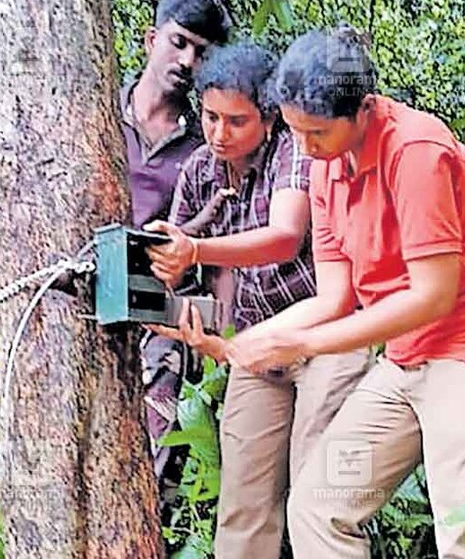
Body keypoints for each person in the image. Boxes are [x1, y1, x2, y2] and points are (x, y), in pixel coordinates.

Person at [194, 28, 465, 558]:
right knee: (319, 507)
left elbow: (432, 296)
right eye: (295, 132)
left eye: (317, 132)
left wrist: (304, 345)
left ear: (363, 110)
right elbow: (332, 299)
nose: (306, 148)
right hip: (406, 361)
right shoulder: (325, 169)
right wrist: (237, 344)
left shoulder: (416, 150)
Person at [143, 42, 370, 559]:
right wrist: (175, 309)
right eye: (211, 117)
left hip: (326, 335)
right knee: (243, 505)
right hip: (255, 345)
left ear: (268, 119)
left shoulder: (296, 151)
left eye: (237, 121)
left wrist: (195, 248)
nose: (220, 134)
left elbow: (285, 235)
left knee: (322, 494)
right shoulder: (199, 171)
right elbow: (177, 265)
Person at [119, 0, 231, 491]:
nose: (187, 61)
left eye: (201, 53)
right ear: (152, 40)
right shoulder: (97, 113)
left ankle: (154, 517)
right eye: (178, 43)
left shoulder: (208, 142)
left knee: (158, 450)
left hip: (160, 299)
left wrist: (219, 333)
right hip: (86, 284)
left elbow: (220, 248)